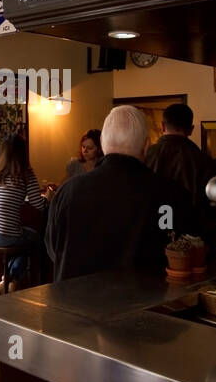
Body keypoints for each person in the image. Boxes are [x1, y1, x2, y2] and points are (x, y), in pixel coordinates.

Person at [45, 106, 195, 282]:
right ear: (146, 145)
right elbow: (179, 252)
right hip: (146, 305)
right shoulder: (170, 194)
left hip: (72, 304)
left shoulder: (68, 192)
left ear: (102, 143)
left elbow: (53, 249)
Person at [0, 134, 53, 292]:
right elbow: (38, 204)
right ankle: (12, 278)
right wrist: (48, 196)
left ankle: (8, 278)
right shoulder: (26, 174)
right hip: (6, 234)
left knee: (19, 240)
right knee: (36, 239)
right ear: (23, 153)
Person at [145, 103, 216, 245]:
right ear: (191, 129)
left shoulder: (146, 155)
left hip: (151, 236)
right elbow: (212, 209)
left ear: (162, 125)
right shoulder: (204, 161)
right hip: (192, 240)